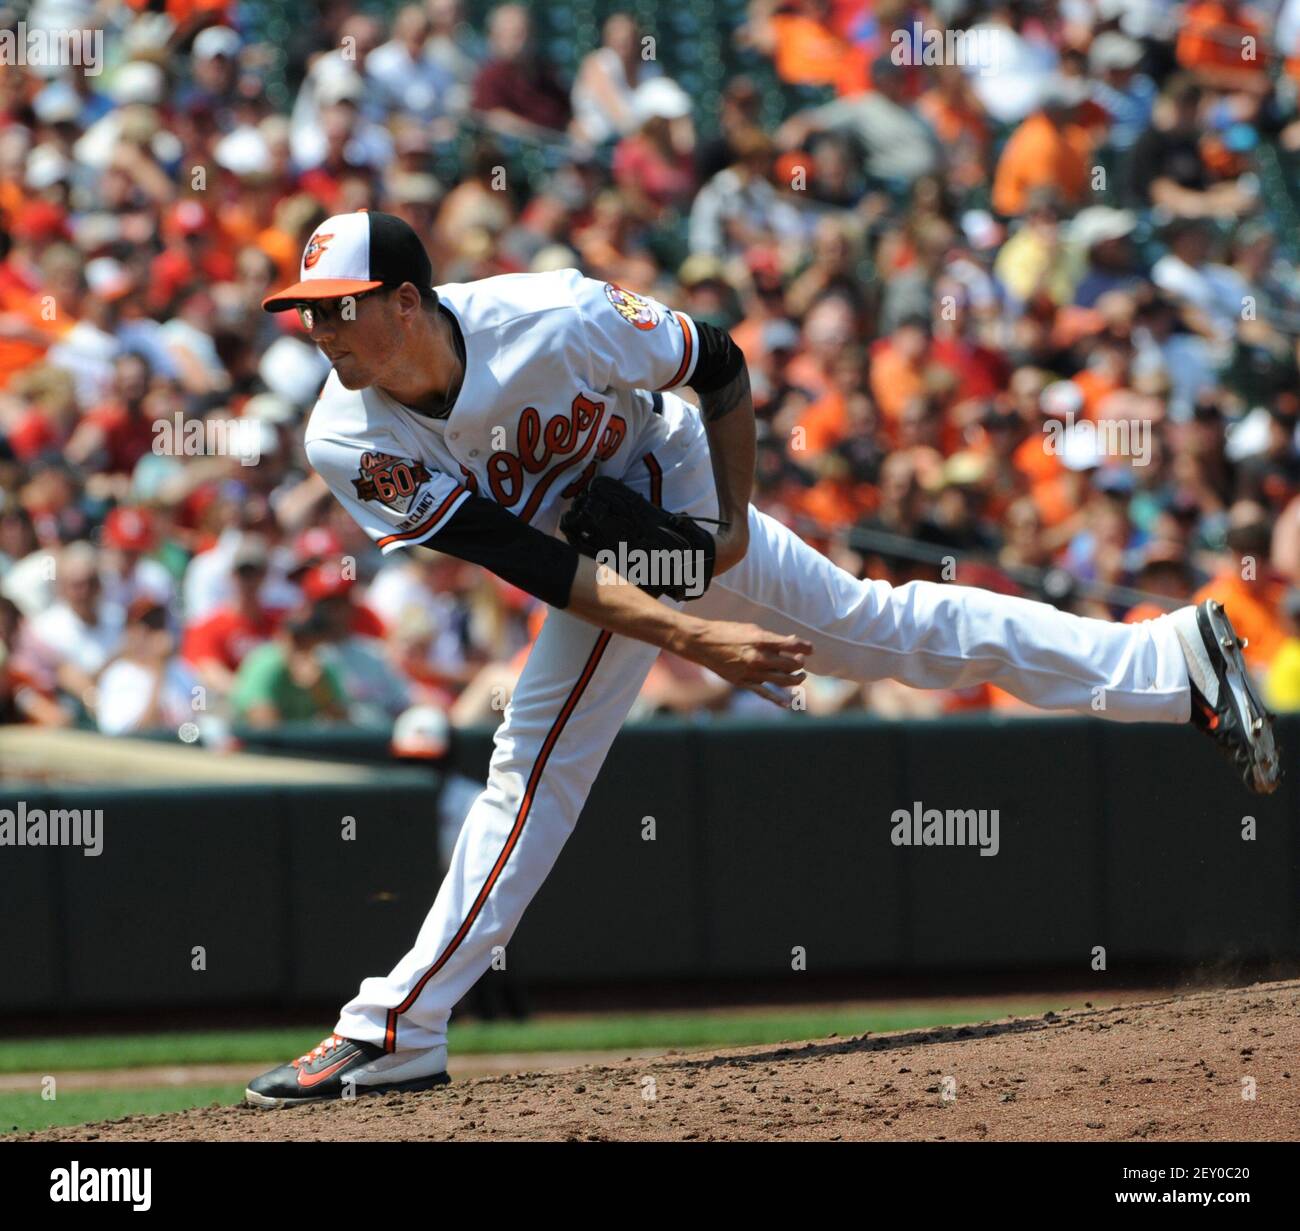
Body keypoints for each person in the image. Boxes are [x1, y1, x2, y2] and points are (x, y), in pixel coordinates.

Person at [242, 210, 1280, 1108]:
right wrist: (700, 635)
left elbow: (720, 361)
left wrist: (730, 522)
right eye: (310, 311)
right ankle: (1167, 659)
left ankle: (395, 1027)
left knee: (536, 763)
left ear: (410, 301)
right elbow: (523, 558)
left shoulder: (550, 315)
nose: (321, 328)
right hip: (592, 547)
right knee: (878, 634)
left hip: (672, 471)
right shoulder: (345, 437)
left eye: (341, 305)